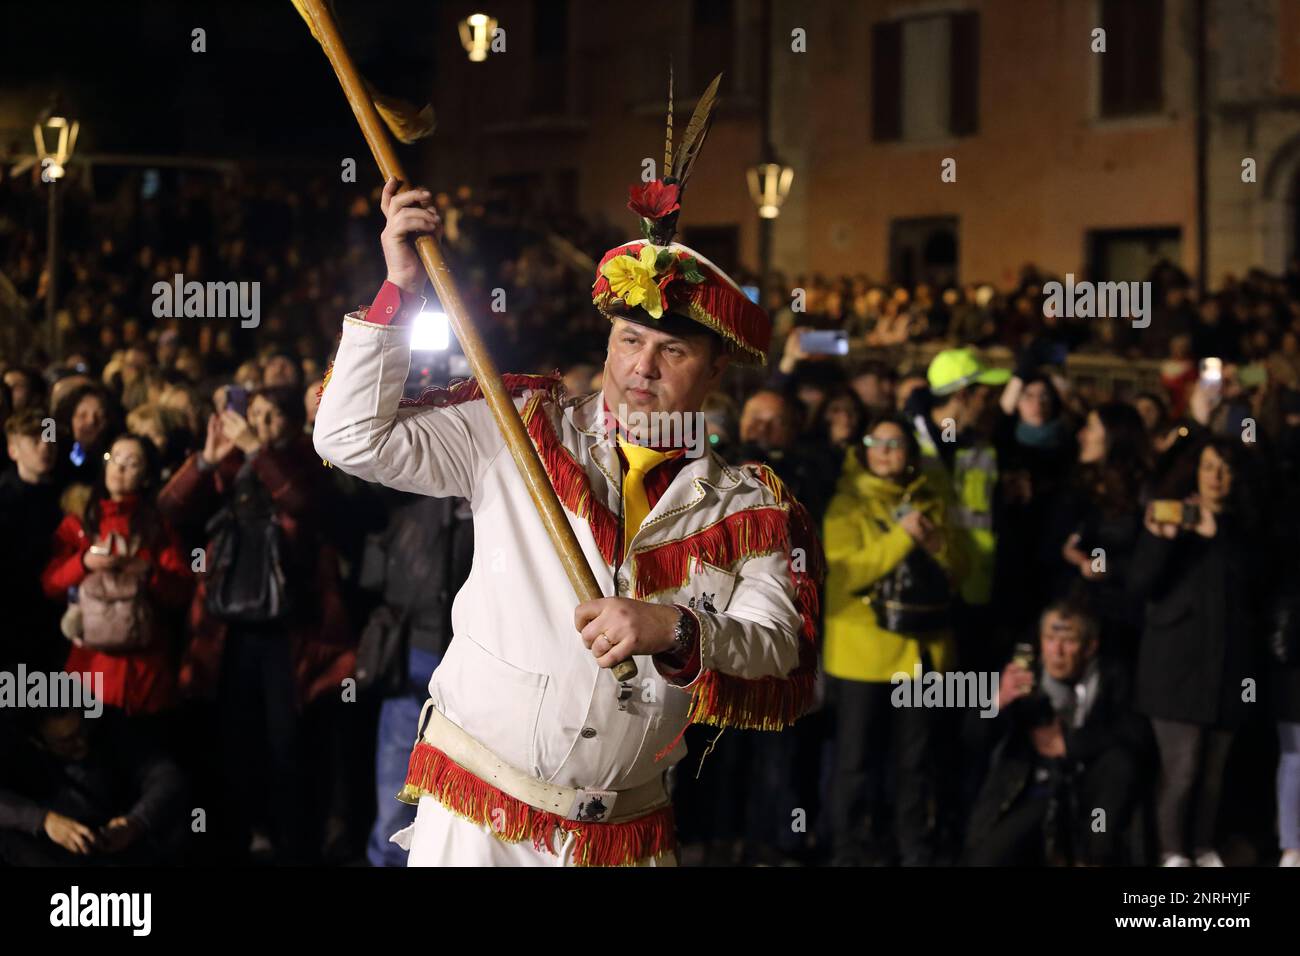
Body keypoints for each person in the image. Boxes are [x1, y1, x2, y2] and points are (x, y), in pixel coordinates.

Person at [313, 81, 821, 866]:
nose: (641, 369)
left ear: (716, 369)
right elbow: (348, 437)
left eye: (673, 352)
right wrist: (399, 291)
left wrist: (677, 627)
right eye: (627, 341)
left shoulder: (752, 507)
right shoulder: (518, 427)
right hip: (474, 816)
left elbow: (776, 644)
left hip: (623, 834)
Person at [157, 386, 355, 864]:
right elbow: (169, 509)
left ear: (290, 423)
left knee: (288, 746)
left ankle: (294, 844)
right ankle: (235, 839)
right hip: (227, 631)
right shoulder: (224, 466)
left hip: (290, 634)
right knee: (232, 742)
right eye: (254, 416)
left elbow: (302, 503)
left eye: (271, 417)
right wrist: (205, 461)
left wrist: (256, 450)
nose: (261, 424)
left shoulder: (306, 459)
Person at [823, 413, 963, 865]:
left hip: (922, 654)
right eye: (876, 442)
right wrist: (904, 538)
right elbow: (844, 576)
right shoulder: (846, 504)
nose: (885, 452)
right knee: (855, 763)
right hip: (863, 655)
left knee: (915, 764)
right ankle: (848, 852)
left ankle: (913, 850)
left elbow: (960, 571)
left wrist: (939, 545)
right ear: (862, 449)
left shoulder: (931, 498)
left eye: (896, 443)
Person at [1129, 436, 1261, 866]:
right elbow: (1140, 584)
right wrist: (1162, 539)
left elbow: (1256, 583)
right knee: (1181, 769)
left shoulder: (1247, 527)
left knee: (1214, 773)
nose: (1215, 477)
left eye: (1224, 468)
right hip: (1176, 667)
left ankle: (1203, 845)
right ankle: (1171, 852)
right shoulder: (1174, 518)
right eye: (1208, 467)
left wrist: (1217, 533)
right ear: (1194, 471)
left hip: (1228, 670)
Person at [964, 602, 1147, 866]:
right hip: (1036, 791)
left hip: (1092, 800)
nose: (1057, 652)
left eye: (1068, 641)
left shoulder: (1112, 675)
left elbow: (1136, 734)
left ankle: (1095, 858)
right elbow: (972, 739)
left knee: (1118, 770)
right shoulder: (1024, 677)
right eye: (1050, 639)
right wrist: (997, 702)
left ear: (1090, 646)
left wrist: (1070, 744)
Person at [39, 433, 192, 723]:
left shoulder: (158, 527)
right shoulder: (80, 520)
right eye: (113, 458)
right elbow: (51, 584)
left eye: (131, 462)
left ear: (146, 475)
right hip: (90, 669)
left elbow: (182, 591)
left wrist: (146, 572)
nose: (119, 468)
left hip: (144, 672)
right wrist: (83, 563)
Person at [0, 706, 188, 866]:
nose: (81, 743)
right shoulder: (19, 757)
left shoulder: (107, 732)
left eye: (81, 731)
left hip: (116, 839)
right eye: (66, 741)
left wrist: (136, 822)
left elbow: (165, 774)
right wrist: (45, 821)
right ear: (38, 742)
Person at [0, 409, 65, 671]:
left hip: (53, 609)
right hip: (13, 612)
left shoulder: (67, 496)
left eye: (50, 439)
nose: (45, 447)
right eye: (35, 440)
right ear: (13, 450)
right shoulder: (5, 499)